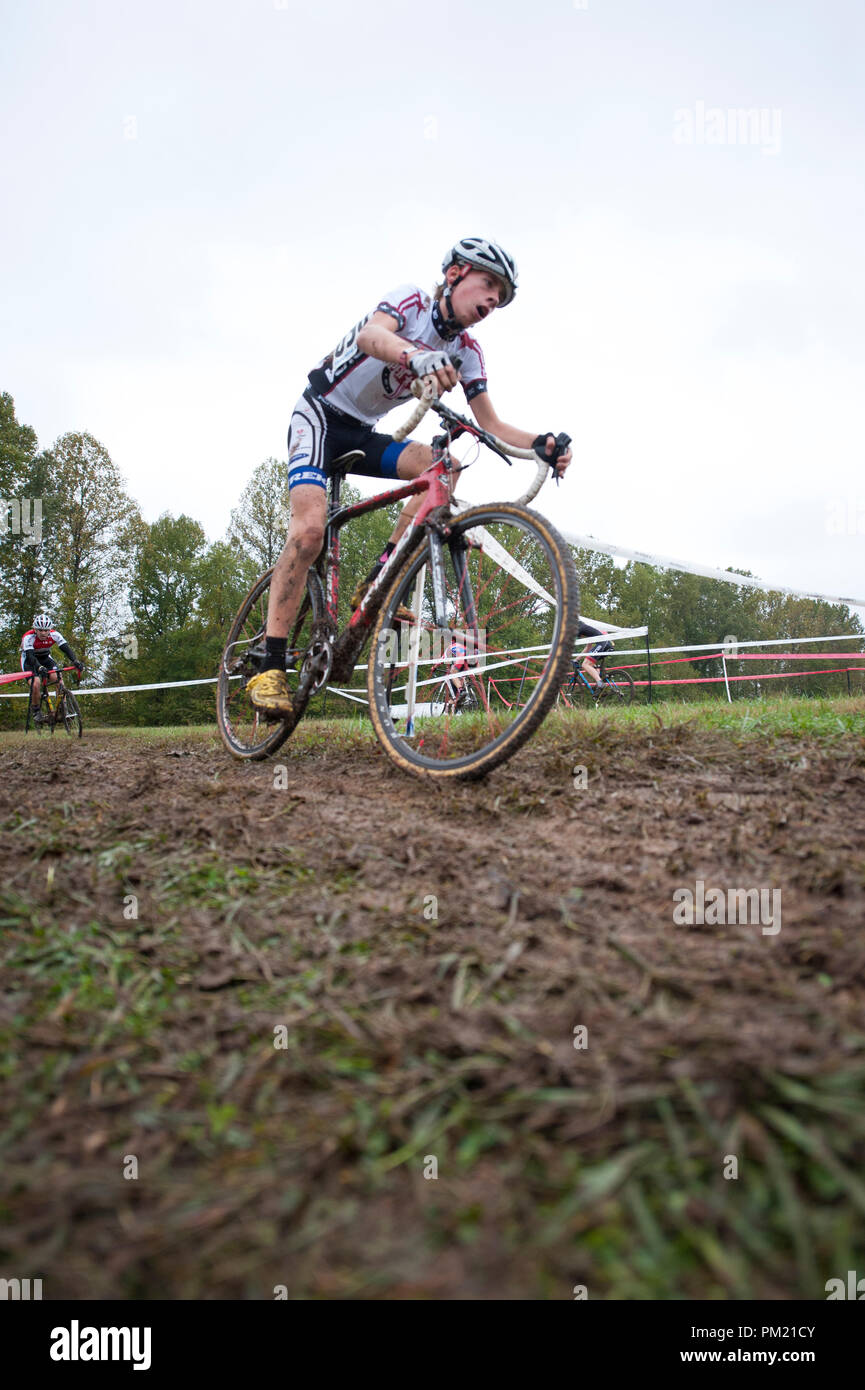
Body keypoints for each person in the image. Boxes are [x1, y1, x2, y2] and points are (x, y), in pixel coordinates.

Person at [246, 237, 572, 716]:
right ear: (456, 273)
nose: (490, 303)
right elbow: (371, 338)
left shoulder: (467, 351)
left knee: (445, 466)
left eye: (500, 299)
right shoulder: (411, 302)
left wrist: (541, 443)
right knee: (311, 529)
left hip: (361, 432)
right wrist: (415, 357)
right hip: (318, 416)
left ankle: (379, 579)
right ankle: (269, 666)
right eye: (488, 286)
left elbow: (493, 425)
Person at [21, 613, 83, 722]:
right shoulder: (28, 637)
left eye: (46, 630)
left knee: (58, 680)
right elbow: (30, 657)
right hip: (30, 661)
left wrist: (75, 661)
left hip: (45, 658)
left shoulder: (55, 635)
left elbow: (66, 649)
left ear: (50, 629)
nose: (43, 633)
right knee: (36, 684)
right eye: (40, 630)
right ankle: (36, 710)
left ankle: (63, 710)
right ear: (35, 629)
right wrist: (39, 668)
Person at [574, 618, 613, 690]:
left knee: (585, 664)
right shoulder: (588, 630)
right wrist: (576, 659)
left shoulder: (580, 629)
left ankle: (600, 682)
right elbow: (588, 647)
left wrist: (575, 659)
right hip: (608, 645)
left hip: (603, 643)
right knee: (591, 663)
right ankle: (599, 683)